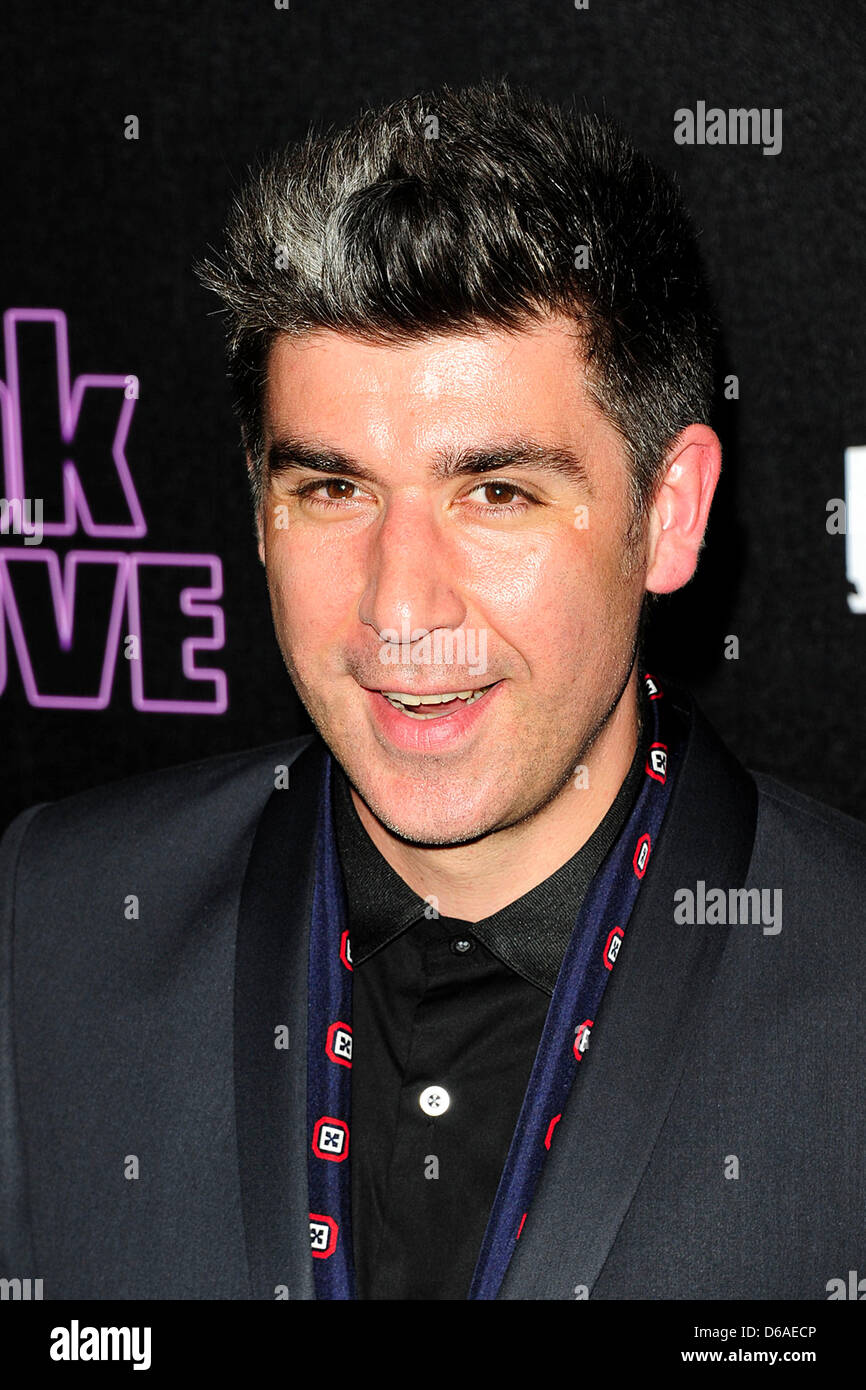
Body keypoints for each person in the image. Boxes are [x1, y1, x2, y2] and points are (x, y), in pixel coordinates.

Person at [2, 79, 864, 1302]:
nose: (400, 609)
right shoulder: (55, 925)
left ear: (665, 515)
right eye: (333, 490)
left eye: (495, 493)